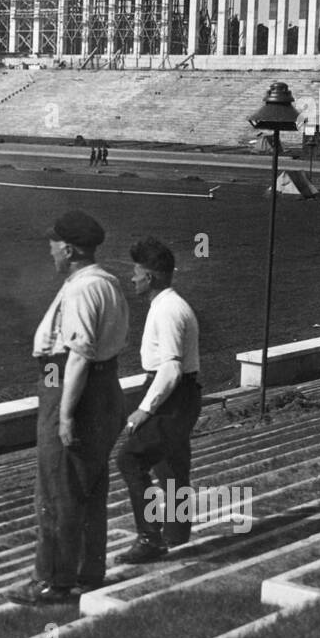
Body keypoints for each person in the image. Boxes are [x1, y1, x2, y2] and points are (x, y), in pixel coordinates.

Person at [10, 210, 128, 605]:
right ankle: (88, 570)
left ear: (71, 249)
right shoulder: (107, 283)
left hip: (73, 389)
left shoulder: (81, 289)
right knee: (89, 488)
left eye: (55, 246)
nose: (51, 252)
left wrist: (64, 414)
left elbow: (78, 354)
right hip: (104, 386)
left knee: (57, 488)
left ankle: (53, 581)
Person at [115, 236, 202, 563]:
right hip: (185, 395)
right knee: (172, 464)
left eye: (136, 273)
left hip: (170, 396)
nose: (132, 278)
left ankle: (150, 539)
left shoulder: (166, 310)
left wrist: (143, 409)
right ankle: (177, 535)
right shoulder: (174, 304)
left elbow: (170, 368)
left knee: (130, 460)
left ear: (150, 277)